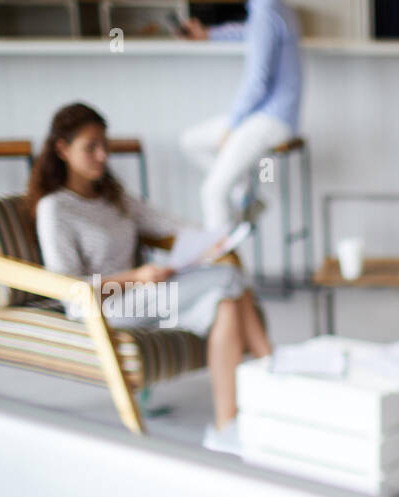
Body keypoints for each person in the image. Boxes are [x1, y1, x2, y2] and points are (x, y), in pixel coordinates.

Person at [28, 102, 272, 452]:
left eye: (104, 145)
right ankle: (272, 365)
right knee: (226, 279)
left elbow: (167, 224)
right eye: (90, 147)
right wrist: (137, 277)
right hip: (100, 308)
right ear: (62, 150)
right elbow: (68, 290)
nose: (102, 155)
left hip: (143, 296)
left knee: (226, 304)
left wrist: (215, 238)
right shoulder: (55, 209)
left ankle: (225, 427)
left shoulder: (113, 196)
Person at [179, 0, 303, 231]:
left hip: (270, 120)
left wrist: (232, 127)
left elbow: (258, 83)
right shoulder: (273, 9)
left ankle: (220, 263)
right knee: (190, 141)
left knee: (212, 192)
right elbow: (249, 32)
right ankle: (244, 193)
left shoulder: (266, 12)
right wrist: (209, 34)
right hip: (263, 117)